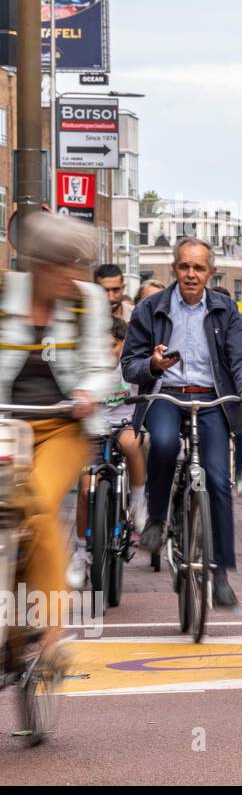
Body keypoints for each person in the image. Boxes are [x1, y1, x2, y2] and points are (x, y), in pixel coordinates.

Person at [122, 238, 242, 607]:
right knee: (165, 442)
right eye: (184, 266)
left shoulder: (225, 309)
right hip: (167, 394)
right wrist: (152, 365)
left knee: (217, 478)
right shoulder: (149, 309)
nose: (190, 274)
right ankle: (155, 520)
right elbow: (129, 364)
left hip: (211, 398)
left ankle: (220, 576)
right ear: (174, 269)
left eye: (198, 268)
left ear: (210, 273)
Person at [0, 213, 114, 654]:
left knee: (38, 505)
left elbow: (102, 368)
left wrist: (88, 392)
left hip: (63, 425)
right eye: (65, 266)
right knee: (8, 513)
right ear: (38, 266)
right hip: (8, 422)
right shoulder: (5, 295)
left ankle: (49, 635)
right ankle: (11, 625)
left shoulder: (87, 302)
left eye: (79, 265)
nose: (75, 276)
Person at [71, 317, 149, 585]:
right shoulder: (90, 370)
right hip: (94, 430)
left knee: (131, 443)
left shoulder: (130, 368)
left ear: (124, 345)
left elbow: (150, 387)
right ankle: (81, 551)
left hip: (123, 426)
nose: (107, 352)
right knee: (84, 490)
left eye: (113, 345)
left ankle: (139, 501)